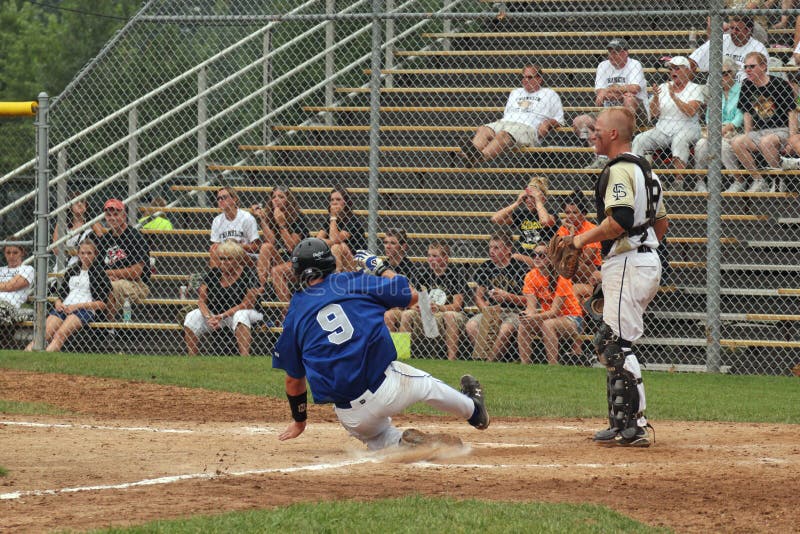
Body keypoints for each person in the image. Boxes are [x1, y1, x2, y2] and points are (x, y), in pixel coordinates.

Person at [272, 238, 489, 450]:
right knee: (427, 386)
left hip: (350, 416)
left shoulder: (295, 311)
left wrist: (299, 421)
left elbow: (293, 380)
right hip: (385, 388)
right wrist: (382, 268)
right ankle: (474, 411)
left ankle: (399, 443)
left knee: (376, 437)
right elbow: (412, 296)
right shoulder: (351, 281)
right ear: (330, 263)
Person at [569, 107, 668, 447]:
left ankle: (635, 426)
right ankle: (619, 421)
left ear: (613, 134)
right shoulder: (647, 170)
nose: (592, 133)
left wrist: (581, 239)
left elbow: (621, 219)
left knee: (617, 346)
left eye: (597, 129)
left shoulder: (619, 170)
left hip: (629, 262)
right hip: (640, 259)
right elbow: (662, 223)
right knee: (607, 342)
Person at [457, 64, 564, 166]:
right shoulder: (515, 92)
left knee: (503, 135)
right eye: (523, 77)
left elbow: (559, 119)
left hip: (527, 127)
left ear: (539, 79)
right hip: (506, 122)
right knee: (484, 129)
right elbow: (507, 114)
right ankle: (469, 156)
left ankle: (478, 157)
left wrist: (548, 123)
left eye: (530, 77)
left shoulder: (550, 94)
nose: (525, 80)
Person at [632, 56, 705, 190]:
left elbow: (690, 112)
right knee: (639, 139)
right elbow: (654, 114)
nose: (673, 72)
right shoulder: (663, 87)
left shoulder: (694, 88)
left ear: (687, 71)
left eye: (677, 68)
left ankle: (678, 182)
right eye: (671, 69)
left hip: (688, 127)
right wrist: (656, 98)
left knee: (680, 139)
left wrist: (674, 97)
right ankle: (640, 180)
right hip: (663, 128)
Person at [25, 239, 111, 352]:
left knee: (59, 335)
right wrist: (58, 303)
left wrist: (77, 306)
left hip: (84, 310)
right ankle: (25, 359)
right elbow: (61, 295)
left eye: (89, 253)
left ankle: (43, 360)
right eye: (82, 253)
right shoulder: (72, 271)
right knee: (42, 335)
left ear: (95, 254)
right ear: (78, 254)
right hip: (65, 307)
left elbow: (102, 304)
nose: (85, 256)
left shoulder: (100, 273)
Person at [572, 38, 649, 163]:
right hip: (608, 113)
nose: (612, 55)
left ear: (625, 53)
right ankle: (599, 153)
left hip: (636, 114)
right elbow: (599, 93)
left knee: (628, 99)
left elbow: (634, 89)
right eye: (610, 52)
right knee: (579, 122)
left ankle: (626, 140)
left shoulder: (635, 64)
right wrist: (619, 91)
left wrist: (609, 91)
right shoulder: (603, 65)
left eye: (616, 52)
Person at [729, 51, 796, 193]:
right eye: (746, 67)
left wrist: (791, 138)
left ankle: (778, 180)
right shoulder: (747, 85)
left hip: (780, 129)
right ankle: (758, 180)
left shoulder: (779, 84)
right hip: (758, 131)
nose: (748, 70)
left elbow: (792, 112)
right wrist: (747, 134)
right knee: (737, 141)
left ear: (764, 66)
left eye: (752, 66)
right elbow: (747, 112)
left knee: (767, 141)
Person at [183, 240, 263, 356]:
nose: (224, 262)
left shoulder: (249, 274)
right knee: (191, 316)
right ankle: (192, 357)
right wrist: (209, 317)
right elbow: (201, 300)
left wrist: (222, 316)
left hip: (242, 313)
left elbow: (247, 304)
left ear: (238, 259)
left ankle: (245, 357)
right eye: (221, 258)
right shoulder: (214, 273)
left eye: (229, 259)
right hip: (215, 315)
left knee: (241, 315)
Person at [399, 240, 469, 361]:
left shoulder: (456, 273)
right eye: (429, 255)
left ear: (445, 258)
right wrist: (414, 306)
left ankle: (451, 360)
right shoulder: (422, 273)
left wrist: (439, 308)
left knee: (449, 316)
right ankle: (401, 356)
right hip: (426, 313)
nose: (430, 259)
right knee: (406, 314)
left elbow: (457, 305)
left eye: (435, 256)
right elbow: (411, 299)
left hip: (447, 314)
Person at [465, 232, 529, 361]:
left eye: (496, 248)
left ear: (508, 249)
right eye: (490, 247)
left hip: (514, 311)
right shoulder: (486, 266)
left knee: (506, 328)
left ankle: (489, 361)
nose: (491, 251)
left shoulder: (521, 268)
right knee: (471, 325)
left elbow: (528, 301)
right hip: (492, 310)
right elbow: (478, 296)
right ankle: (483, 357)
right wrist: (487, 311)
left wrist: (507, 297)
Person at [517, 244, 584, 365]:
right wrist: (526, 316)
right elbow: (531, 308)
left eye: (542, 255)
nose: (537, 258)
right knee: (525, 324)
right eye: (534, 255)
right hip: (547, 318)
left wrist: (534, 317)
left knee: (547, 324)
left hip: (572, 318)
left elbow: (555, 312)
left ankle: (553, 365)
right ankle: (524, 364)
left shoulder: (562, 276)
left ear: (551, 258)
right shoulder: (530, 276)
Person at [692, 57, 744, 192]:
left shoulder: (742, 90)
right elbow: (710, 116)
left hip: (735, 129)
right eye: (718, 74)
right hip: (716, 128)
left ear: (733, 73)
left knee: (724, 146)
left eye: (725, 73)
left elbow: (740, 115)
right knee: (701, 145)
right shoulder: (716, 92)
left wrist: (726, 128)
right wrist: (713, 128)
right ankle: (700, 181)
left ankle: (739, 181)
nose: (722, 77)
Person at [95, 198, 151, 321]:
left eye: (116, 214)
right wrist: (106, 276)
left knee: (114, 286)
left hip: (137, 284)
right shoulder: (105, 239)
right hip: (109, 281)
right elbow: (97, 268)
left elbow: (136, 271)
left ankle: (109, 327)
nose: (112, 218)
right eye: (109, 215)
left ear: (124, 215)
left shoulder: (135, 237)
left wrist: (108, 274)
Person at [252, 186, 308, 301]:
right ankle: (261, 287)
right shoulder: (271, 217)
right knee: (266, 247)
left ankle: (286, 312)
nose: (276, 199)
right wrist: (262, 219)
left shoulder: (298, 218)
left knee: (276, 271)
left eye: (281, 197)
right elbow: (270, 241)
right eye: (274, 197)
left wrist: (282, 224)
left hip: (300, 262)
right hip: (282, 260)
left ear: (288, 200)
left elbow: (292, 248)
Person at [490, 176, 556, 266]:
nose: (528, 200)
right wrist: (517, 203)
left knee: (515, 257)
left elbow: (544, 221)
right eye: (526, 197)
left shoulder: (551, 213)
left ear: (543, 199)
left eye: (532, 197)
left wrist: (538, 200)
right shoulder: (522, 214)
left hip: (542, 259)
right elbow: (495, 219)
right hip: (524, 259)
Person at [690, 15, 769, 82]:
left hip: (744, 89)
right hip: (717, 87)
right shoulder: (720, 40)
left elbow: (764, 76)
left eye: (737, 29)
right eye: (731, 28)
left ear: (748, 30)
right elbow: (693, 60)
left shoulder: (758, 48)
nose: (733, 31)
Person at [557, 189, 602, 305]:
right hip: (569, 271)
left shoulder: (592, 229)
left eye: (574, 212)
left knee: (573, 262)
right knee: (581, 301)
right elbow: (557, 253)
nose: (570, 216)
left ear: (583, 213)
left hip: (591, 272)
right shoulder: (563, 229)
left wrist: (571, 236)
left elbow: (586, 259)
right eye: (567, 212)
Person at [315, 186, 366, 272]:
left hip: (357, 262)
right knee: (332, 247)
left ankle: (337, 275)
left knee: (337, 247)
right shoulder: (330, 220)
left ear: (345, 202)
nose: (334, 203)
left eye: (338, 199)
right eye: (332, 200)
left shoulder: (353, 220)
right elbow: (317, 240)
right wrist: (333, 219)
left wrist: (333, 217)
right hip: (339, 259)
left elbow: (335, 239)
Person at [210, 187, 261, 268]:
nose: (220, 200)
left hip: (245, 254)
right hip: (225, 256)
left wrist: (238, 247)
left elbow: (256, 246)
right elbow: (216, 246)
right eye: (218, 198)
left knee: (234, 252)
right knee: (213, 249)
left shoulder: (246, 218)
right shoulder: (217, 221)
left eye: (224, 197)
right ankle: (214, 277)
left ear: (234, 199)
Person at [52, 194, 106, 268]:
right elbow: (56, 249)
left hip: (83, 264)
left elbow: (101, 243)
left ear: (86, 205)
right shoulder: (62, 224)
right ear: (70, 206)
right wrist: (80, 251)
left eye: (82, 201)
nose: (80, 204)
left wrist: (69, 250)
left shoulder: (92, 223)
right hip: (63, 263)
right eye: (76, 201)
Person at [380, 228, 416, 332]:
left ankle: (396, 348)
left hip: (402, 308)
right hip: (385, 306)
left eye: (392, 243)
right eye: (386, 242)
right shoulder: (382, 267)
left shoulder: (412, 268)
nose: (388, 246)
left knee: (389, 315)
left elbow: (413, 296)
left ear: (403, 246)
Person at [0, 241, 35, 346]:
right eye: (8, 252)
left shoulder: (27, 269)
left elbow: (11, 286)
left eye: (15, 252)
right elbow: (7, 285)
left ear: (22, 253)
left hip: (9, 306)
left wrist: (5, 285)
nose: (11, 256)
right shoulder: (1, 270)